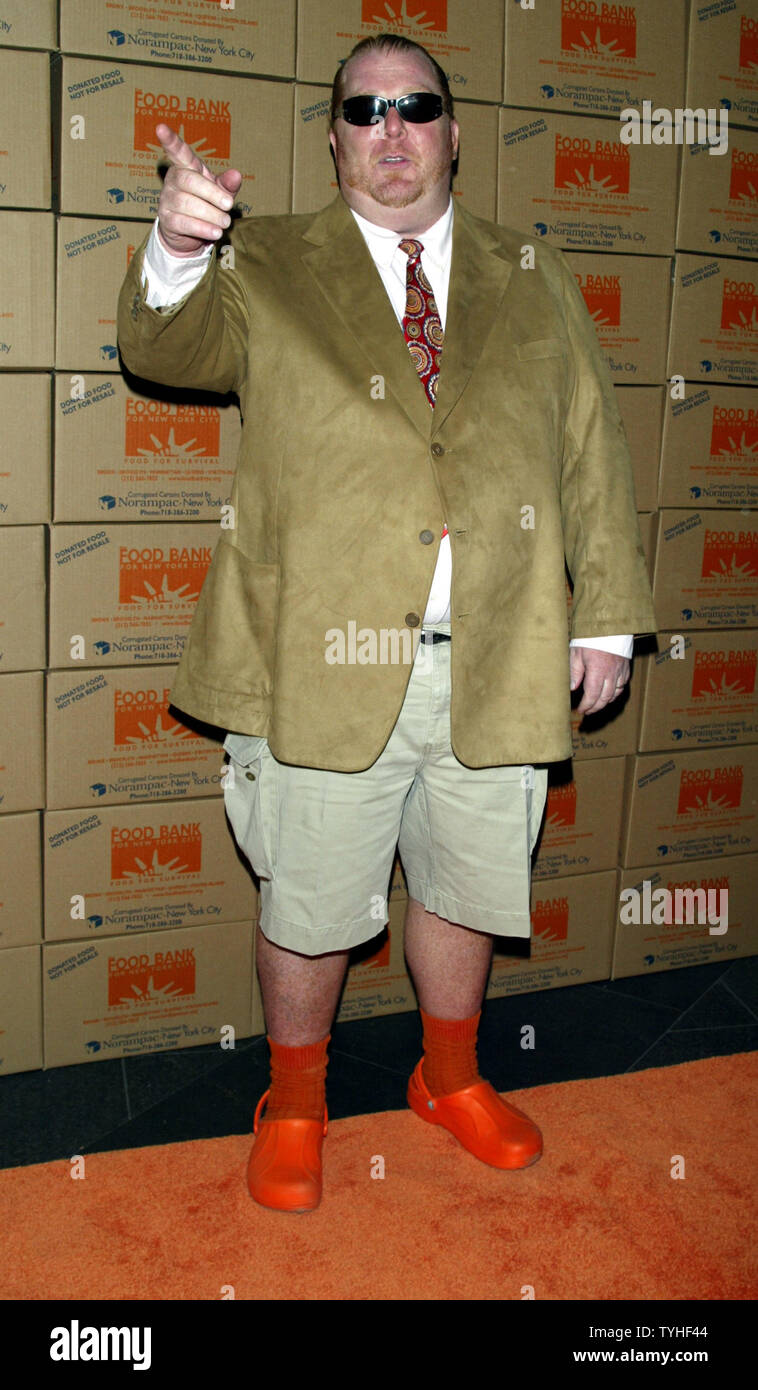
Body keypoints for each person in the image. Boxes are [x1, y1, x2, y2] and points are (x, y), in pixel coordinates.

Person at [117, 33, 657, 1214]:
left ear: (455, 130)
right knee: (311, 903)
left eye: (417, 107)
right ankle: (296, 1101)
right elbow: (161, 346)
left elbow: (588, 445)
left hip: (500, 661)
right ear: (333, 138)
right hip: (317, 662)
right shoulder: (264, 266)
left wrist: (608, 613)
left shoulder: (530, 267)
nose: (392, 131)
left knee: (467, 890)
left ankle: (449, 1077)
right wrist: (172, 244)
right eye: (365, 111)